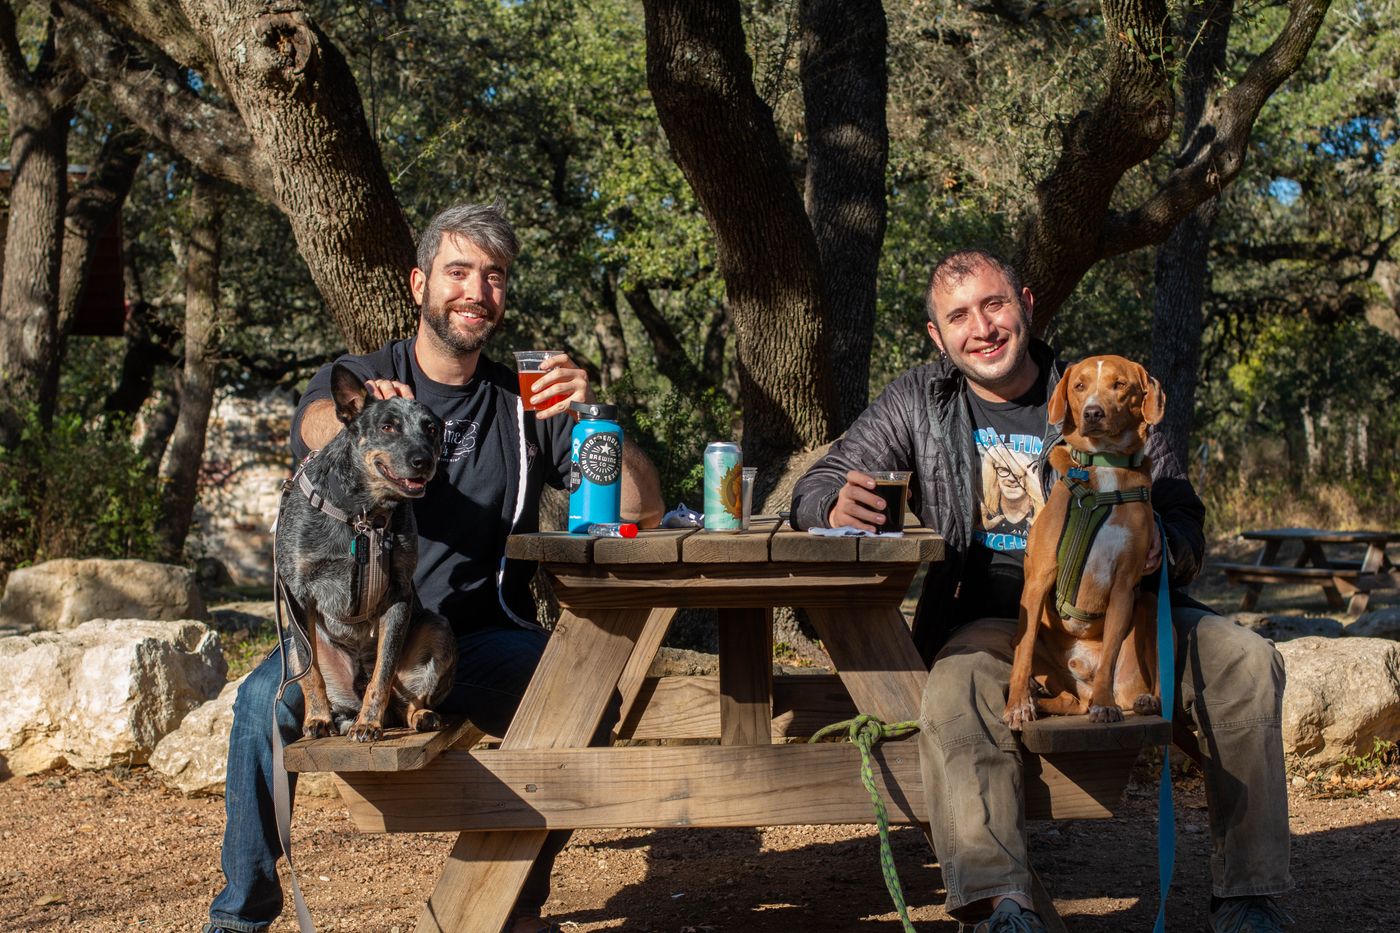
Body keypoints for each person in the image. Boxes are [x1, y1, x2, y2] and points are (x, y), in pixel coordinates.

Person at [790, 249, 1290, 933]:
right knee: (956, 687)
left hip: (1127, 614)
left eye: (994, 305)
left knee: (1246, 660)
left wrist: (1161, 552)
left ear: (1025, 303)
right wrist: (830, 507)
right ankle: (1002, 902)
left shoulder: (1100, 385)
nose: (983, 327)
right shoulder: (919, 399)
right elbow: (819, 481)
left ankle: (1248, 896)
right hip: (1001, 617)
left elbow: (1183, 519)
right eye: (958, 316)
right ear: (938, 337)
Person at [204, 202, 665, 933]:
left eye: (494, 276)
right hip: (344, 637)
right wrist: (363, 420)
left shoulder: (526, 402)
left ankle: (507, 900)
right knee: (262, 706)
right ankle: (241, 915)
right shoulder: (366, 378)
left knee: (587, 697)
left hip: (475, 636)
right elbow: (314, 422)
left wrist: (593, 417)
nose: (476, 291)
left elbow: (642, 509)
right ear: (420, 283)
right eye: (458, 271)